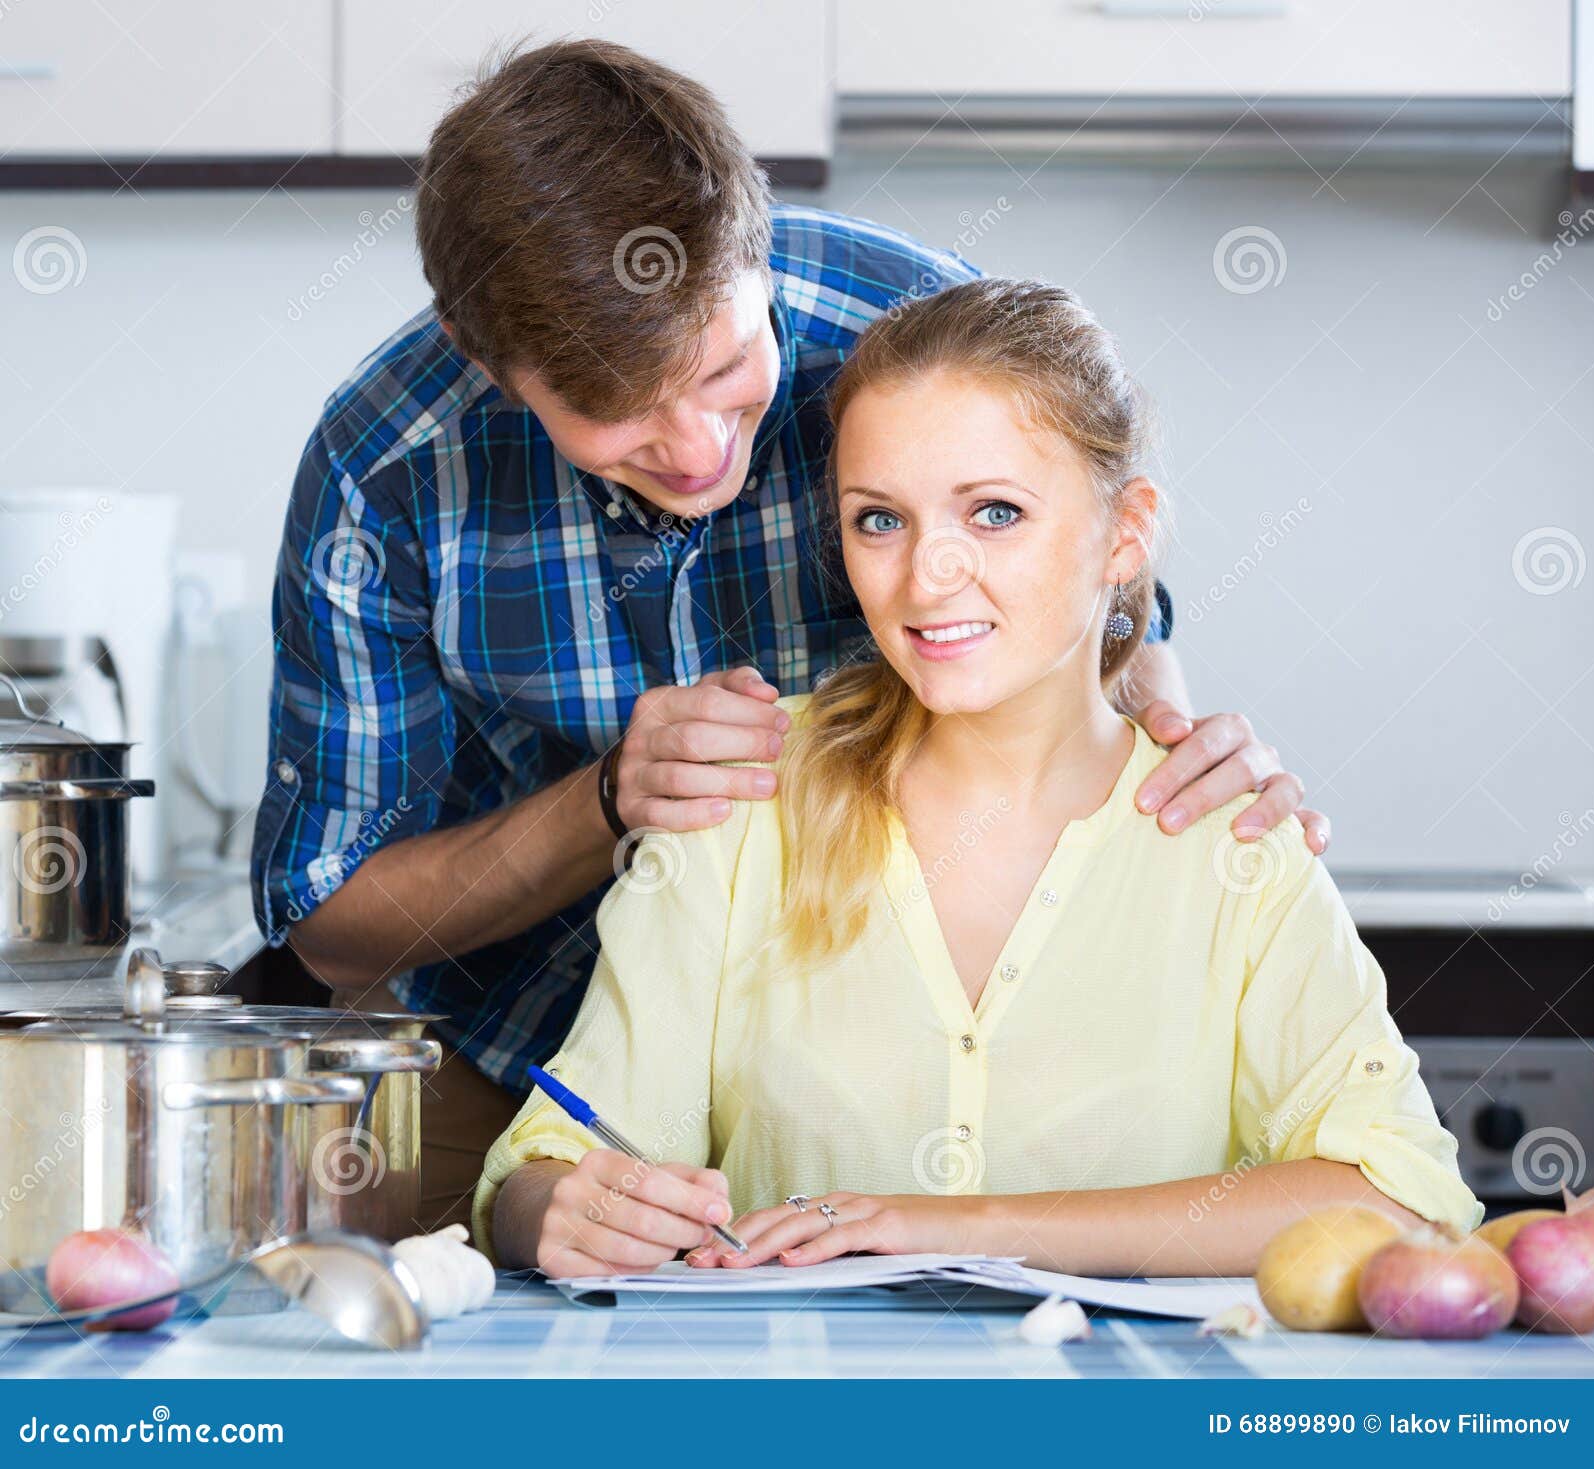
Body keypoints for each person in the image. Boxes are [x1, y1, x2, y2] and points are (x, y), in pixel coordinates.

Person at [252, 40, 1329, 1233]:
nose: (698, 446)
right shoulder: (386, 471)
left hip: (853, 1075)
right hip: (503, 1053)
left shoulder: (911, 334)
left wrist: (1173, 768)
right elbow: (335, 924)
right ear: (487, 364)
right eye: (615, 415)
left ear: (752, 256)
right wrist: (606, 799)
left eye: (722, 369)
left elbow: (1099, 608)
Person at [478, 278, 1479, 1279]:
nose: (926, 576)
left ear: (1124, 533)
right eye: (879, 521)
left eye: (994, 511)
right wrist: (552, 1210)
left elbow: (1401, 1198)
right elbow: (543, 1167)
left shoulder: (1229, 835)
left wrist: (948, 1225)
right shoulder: (741, 798)